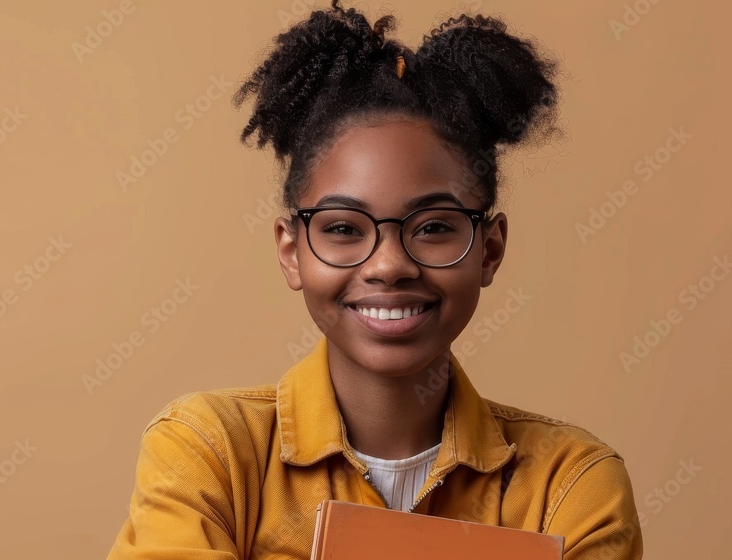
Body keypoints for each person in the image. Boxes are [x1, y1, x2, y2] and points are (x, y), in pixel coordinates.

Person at [106, 2, 642, 559]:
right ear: (291, 252)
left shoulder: (571, 486)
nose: (388, 265)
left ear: (491, 248)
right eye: (342, 228)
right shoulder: (208, 450)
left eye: (433, 226)